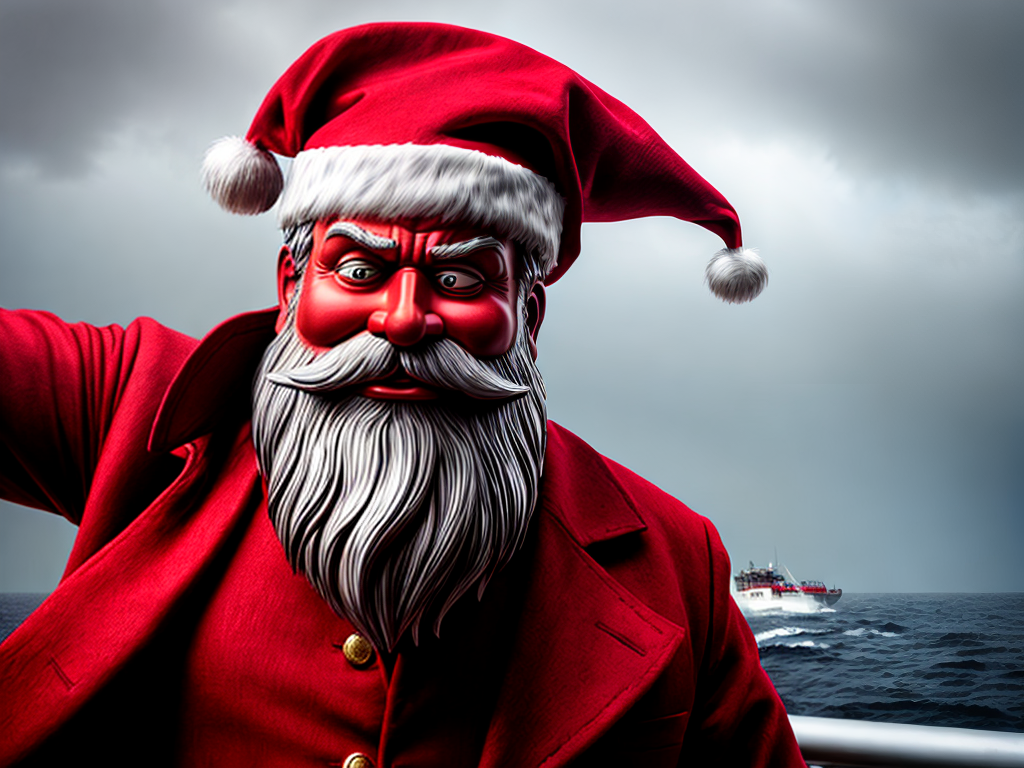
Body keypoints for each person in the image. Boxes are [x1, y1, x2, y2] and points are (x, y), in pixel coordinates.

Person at [0, 22, 804, 768]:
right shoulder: (133, 400)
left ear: (529, 314)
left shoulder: (677, 561)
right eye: (359, 271)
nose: (404, 318)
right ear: (289, 287)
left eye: (459, 279)